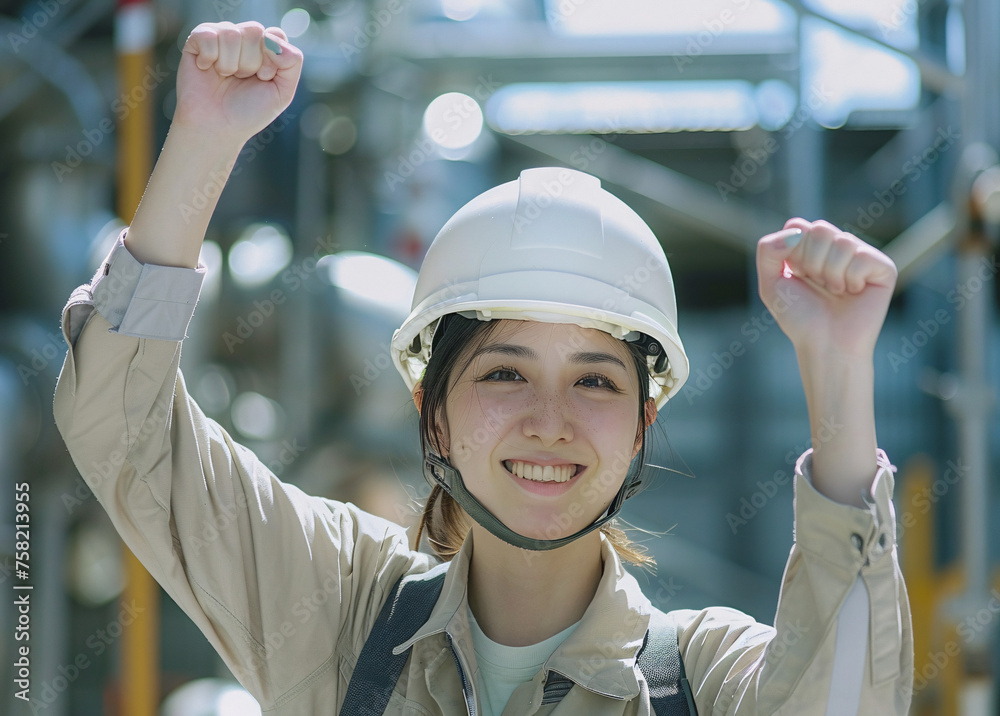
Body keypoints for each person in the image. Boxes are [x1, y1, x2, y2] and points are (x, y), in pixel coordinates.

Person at [54, 20, 914, 715]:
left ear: (646, 420)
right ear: (433, 409)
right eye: (504, 373)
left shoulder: (702, 680)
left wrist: (839, 372)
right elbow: (123, 430)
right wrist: (204, 138)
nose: (550, 420)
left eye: (596, 379)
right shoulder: (340, 615)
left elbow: (848, 700)